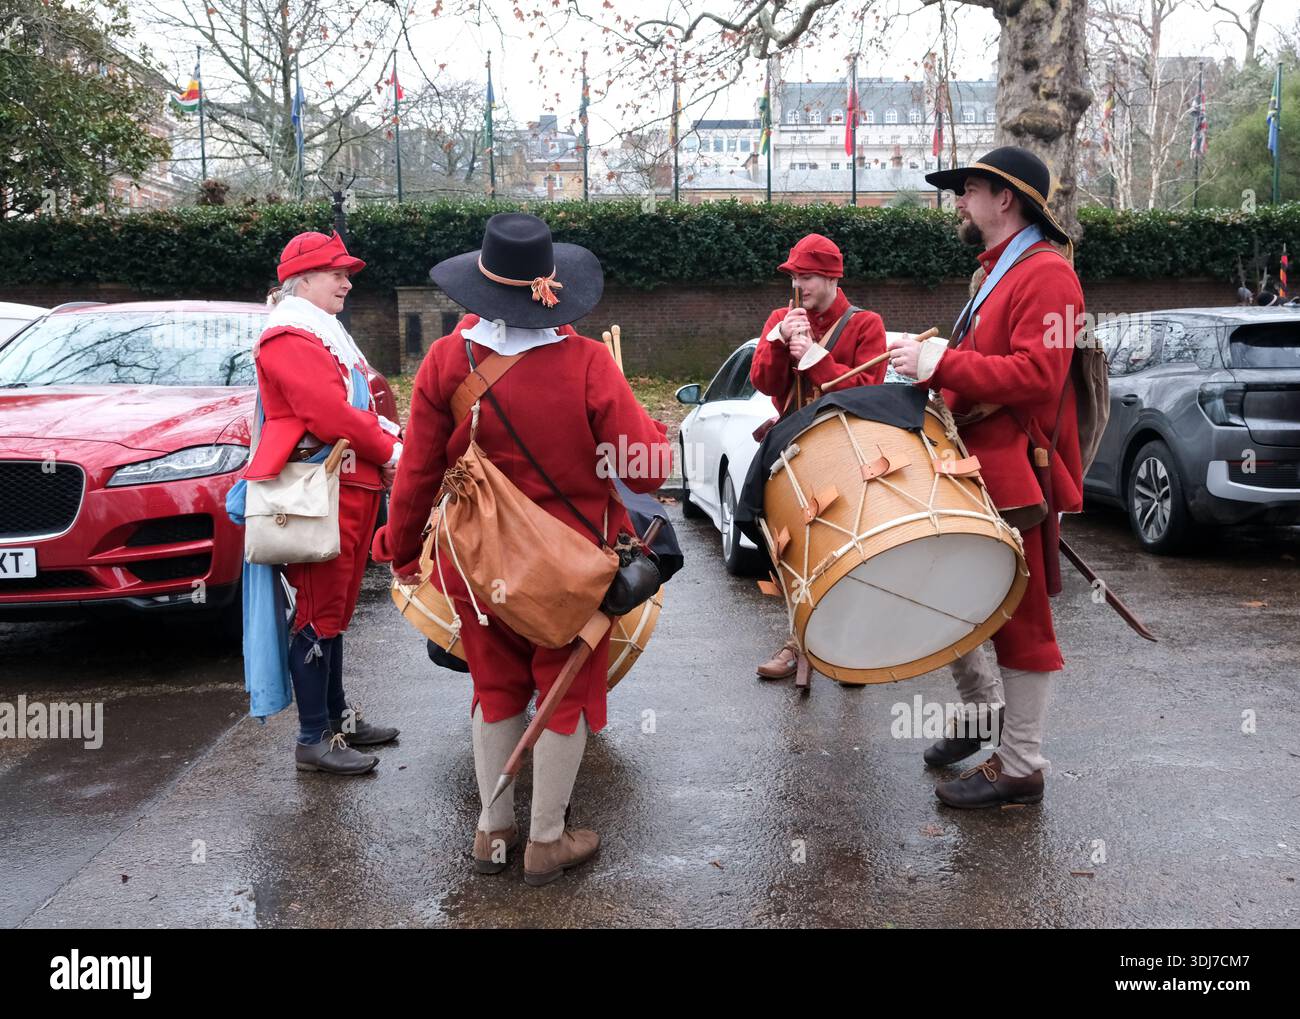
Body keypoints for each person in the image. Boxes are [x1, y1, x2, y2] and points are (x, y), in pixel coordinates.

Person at [373, 213, 671, 884]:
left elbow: (417, 471)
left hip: (477, 568)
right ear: (553, 287)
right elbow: (648, 468)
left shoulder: (448, 359)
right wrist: (647, 424)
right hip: (568, 571)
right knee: (565, 695)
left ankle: (493, 832)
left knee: (495, 687)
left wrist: (398, 551)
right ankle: (547, 841)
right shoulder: (591, 361)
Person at [887, 146, 1085, 809]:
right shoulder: (998, 271)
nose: (959, 202)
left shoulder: (1048, 274)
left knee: (1022, 622)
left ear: (1007, 199)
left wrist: (939, 362)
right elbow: (980, 363)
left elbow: (1038, 376)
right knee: (963, 600)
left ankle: (1023, 762)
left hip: (1015, 473)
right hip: (977, 466)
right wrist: (926, 362)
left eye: (969, 190)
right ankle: (979, 722)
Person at [238, 231, 402, 776]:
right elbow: (327, 414)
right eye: (337, 273)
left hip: (345, 489)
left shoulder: (321, 333)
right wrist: (389, 448)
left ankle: (338, 719)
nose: (347, 282)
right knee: (317, 612)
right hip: (317, 494)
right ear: (302, 280)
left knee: (335, 612)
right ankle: (313, 737)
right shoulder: (290, 337)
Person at [749, 233, 888, 681]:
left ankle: (850, 647)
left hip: (848, 451)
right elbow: (766, 383)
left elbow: (868, 394)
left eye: (806, 276)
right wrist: (776, 341)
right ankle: (797, 642)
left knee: (850, 549)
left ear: (831, 278)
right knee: (787, 547)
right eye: (794, 276)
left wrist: (814, 356)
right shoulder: (781, 317)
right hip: (792, 449)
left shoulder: (866, 325)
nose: (798, 285)